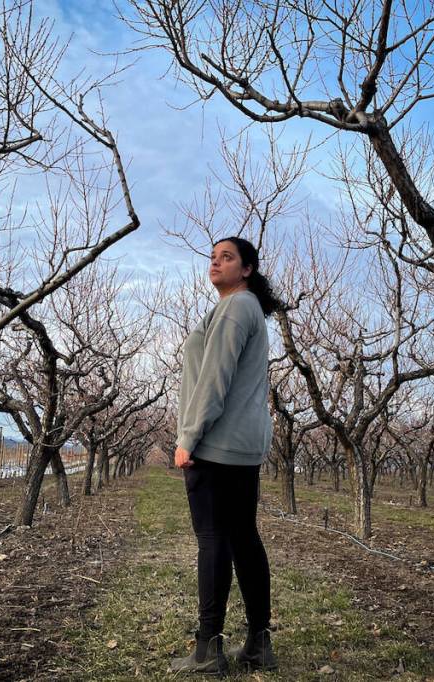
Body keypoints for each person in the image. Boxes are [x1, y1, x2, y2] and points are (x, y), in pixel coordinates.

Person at [169, 236, 283, 675]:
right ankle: (258, 641)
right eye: (213, 257)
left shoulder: (236, 307)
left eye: (227, 257)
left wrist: (189, 436)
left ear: (247, 268)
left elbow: (214, 378)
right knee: (242, 538)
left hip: (217, 442)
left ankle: (208, 647)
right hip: (241, 443)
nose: (216, 263)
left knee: (214, 539)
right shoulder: (242, 308)